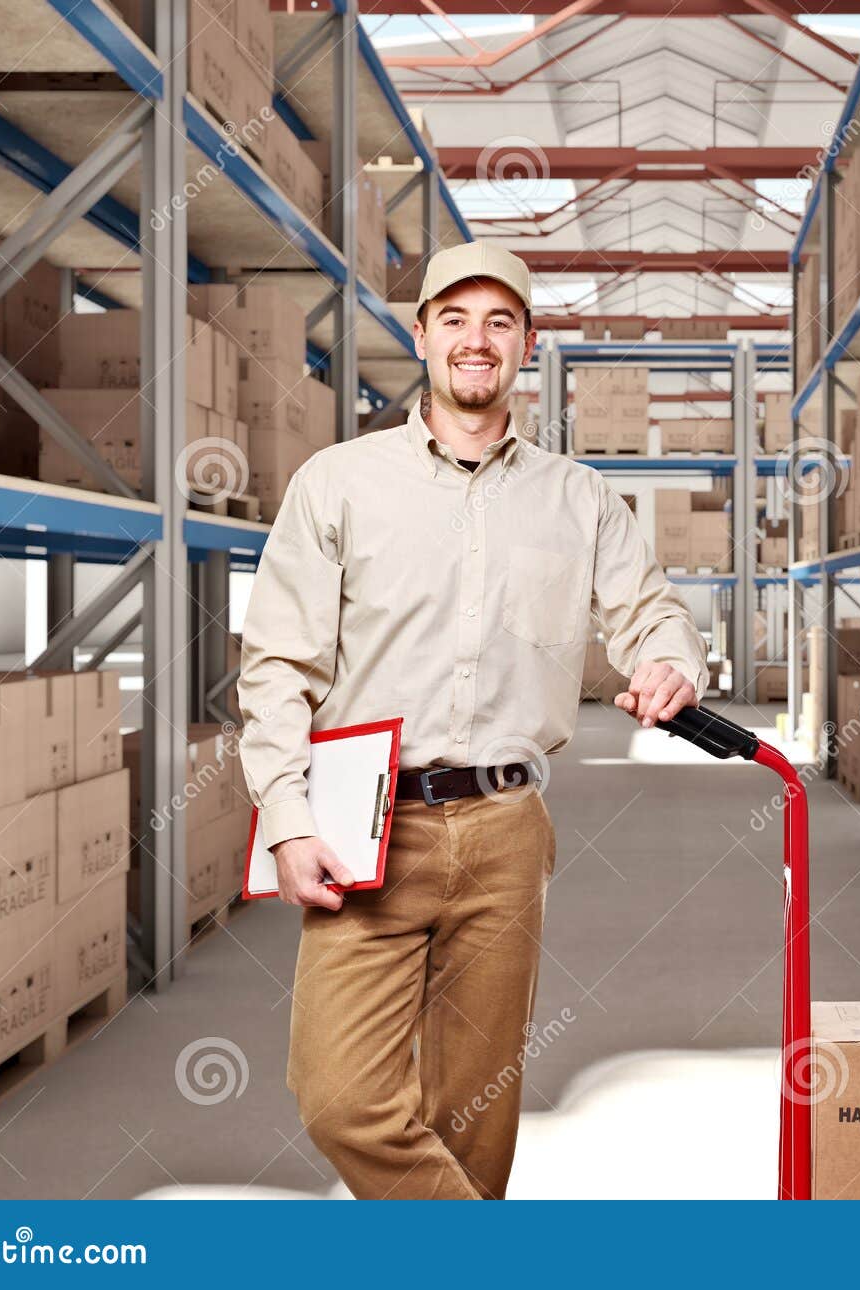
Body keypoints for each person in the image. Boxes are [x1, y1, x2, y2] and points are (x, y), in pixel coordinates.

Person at [236, 241, 709, 1199]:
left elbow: (647, 611)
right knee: (340, 1100)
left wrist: (669, 659)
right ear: (421, 335)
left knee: (474, 1116)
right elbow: (278, 664)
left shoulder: (579, 499)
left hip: (505, 831)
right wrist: (286, 819)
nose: (476, 340)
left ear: (528, 344)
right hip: (366, 824)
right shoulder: (338, 483)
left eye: (500, 321)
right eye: (454, 319)